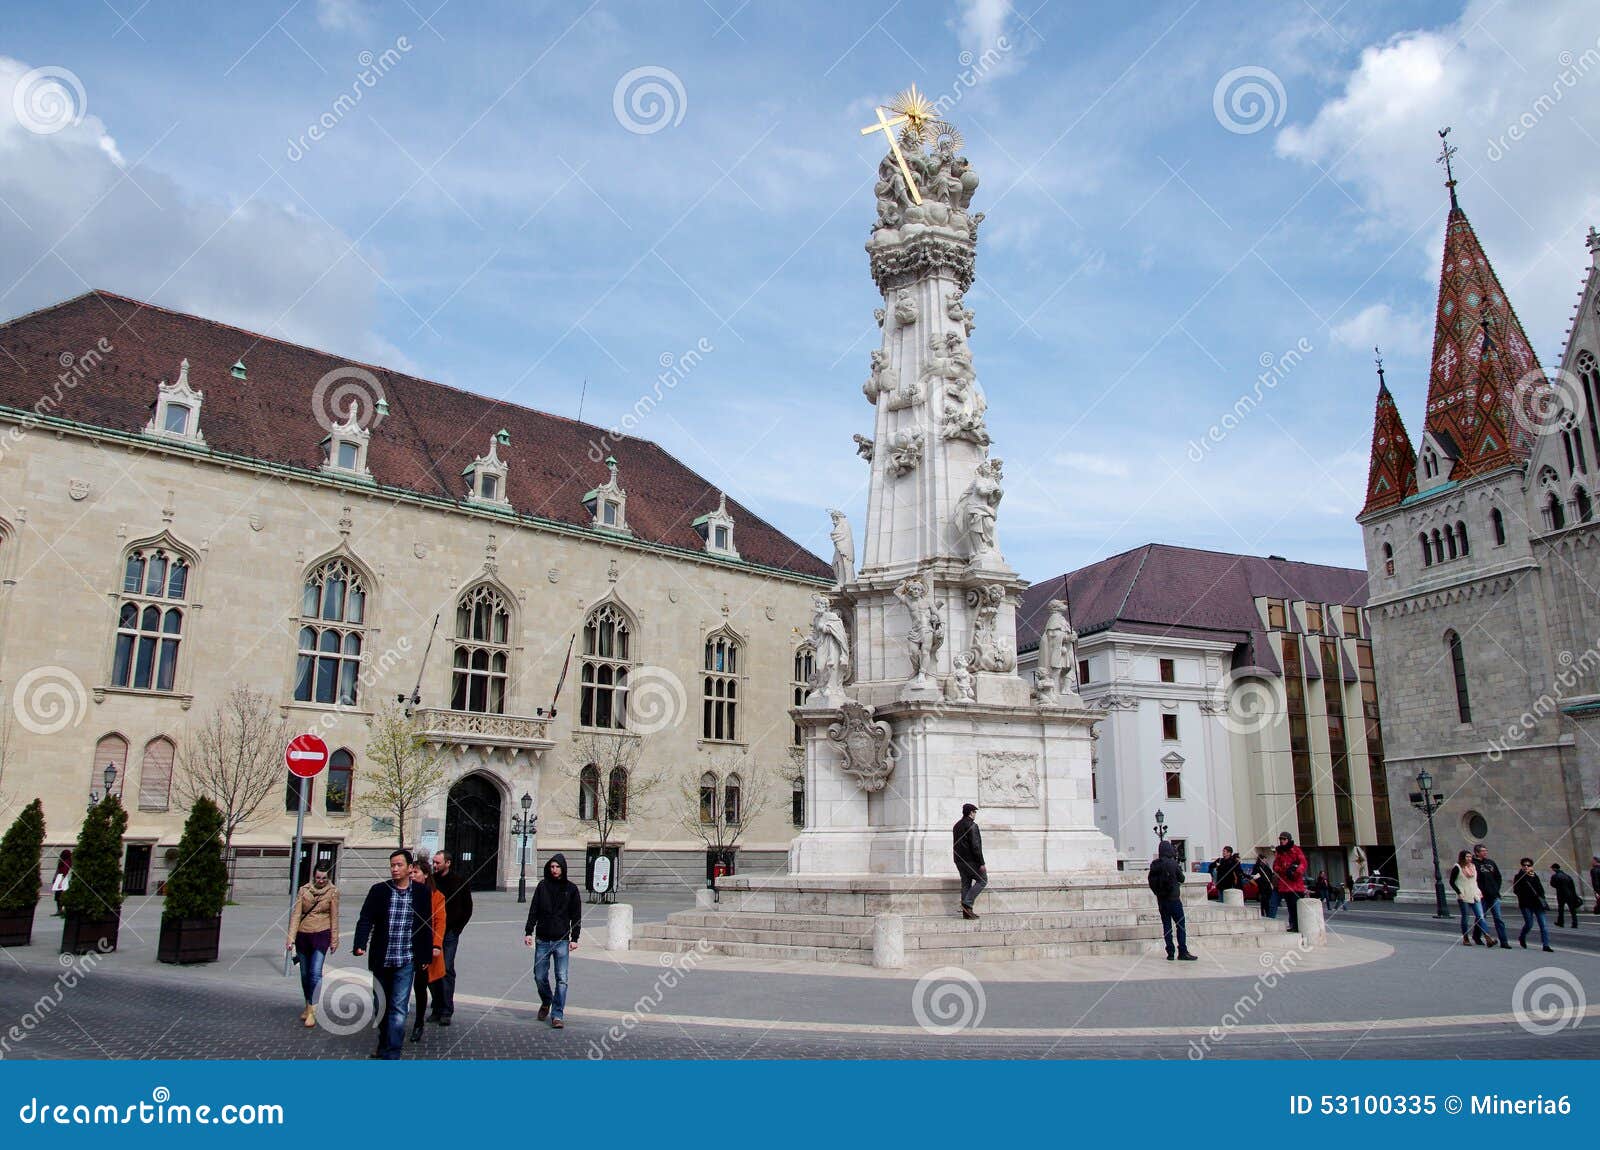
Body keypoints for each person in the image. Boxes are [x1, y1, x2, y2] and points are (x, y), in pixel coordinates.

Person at [353, 848, 440, 1060]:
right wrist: (360, 943)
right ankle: (384, 1041)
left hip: (406, 959)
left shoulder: (421, 893)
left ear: (410, 868)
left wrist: (425, 956)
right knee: (380, 1005)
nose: (394, 869)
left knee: (399, 1007)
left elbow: (425, 924)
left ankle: (392, 1052)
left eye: (399, 865)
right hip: (382, 958)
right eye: (392, 865)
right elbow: (366, 919)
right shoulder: (379, 891)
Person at [523, 853, 582, 1029]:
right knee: (539, 976)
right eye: (552, 867)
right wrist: (528, 931)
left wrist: (575, 938)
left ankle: (557, 1014)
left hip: (562, 940)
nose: (555, 870)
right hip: (542, 938)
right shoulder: (542, 886)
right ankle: (547, 1000)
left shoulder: (571, 889)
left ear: (563, 868)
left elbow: (576, 916)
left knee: (562, 978)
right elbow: (534, 910)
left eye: (557, 867)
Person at [285, 863, 339, 1028]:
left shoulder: (333, 892)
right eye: (318, 877)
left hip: (321, 934)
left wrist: (334, 939)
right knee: (305, 974)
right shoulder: (304, 890)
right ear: (313, 876)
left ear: (328, 877)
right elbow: (296, 915)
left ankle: (313, 1012)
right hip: (303, 935)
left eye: (324, 878)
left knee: (315, 973)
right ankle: (308, 1004)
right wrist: (290, 938)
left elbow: (334, 916)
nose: (321, 881)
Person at [430, 849, 473, 1026]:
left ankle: (447, 1010)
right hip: (432, 932)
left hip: (449, 933)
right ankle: (437, 1007)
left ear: (447, 863)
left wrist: (457, 929)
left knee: (446, 969)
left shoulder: (459, 881)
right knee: (432, 970)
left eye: (437, 863)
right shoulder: (431, 881)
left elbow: (467, 907)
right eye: (433, 862)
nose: (434, 865)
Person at [407, 856, 447, 1043]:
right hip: (405, 945)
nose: (412, 875)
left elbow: (440, 922)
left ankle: (419, 1023)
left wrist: (436, 945)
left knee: (421, 986)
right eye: (411, 871)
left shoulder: (436, 896)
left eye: (416, 872)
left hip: (425, 947)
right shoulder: (404, 892)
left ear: (425, 874)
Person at [1148, 840, 1197, 961]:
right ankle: (1182, 951)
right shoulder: (1172, 863)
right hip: (1174, 899)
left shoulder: (1154, 865)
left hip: (1161, 900)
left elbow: (1151, 881)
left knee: (1167, 926)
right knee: (1180, 926)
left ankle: (1170, 952)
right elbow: (1182, 878)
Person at [1448, 849, 1496, 947]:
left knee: (1480, 917)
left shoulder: (1473, 867)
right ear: (1462, 857)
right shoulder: (1457, 867)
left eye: (1470, 857)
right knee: (1465, 917)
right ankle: (1466, 938)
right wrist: (1459, 892)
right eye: (1467, 857)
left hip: (1475, 894)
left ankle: (1488, 937)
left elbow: (1475, 880)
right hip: (1464, 895)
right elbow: (1452, 882)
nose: (1469, 859)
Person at [1471, 844, 1510, 949]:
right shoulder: (1473, 864)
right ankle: (1477, 936)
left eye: (1486, 851)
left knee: (1498, 918)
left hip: (1494, 895)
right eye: (1483, 851)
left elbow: (1498, 876)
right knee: (1481, 917)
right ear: (1477, 852)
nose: (1485, 853)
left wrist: (1496, 889)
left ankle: (1504, 941)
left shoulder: (1491, 863)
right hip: (1481, 896)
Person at [952, 803, 987, 919]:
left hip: (959, 860)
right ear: (971, 812)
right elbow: (975, 846)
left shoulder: (956, 825)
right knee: (982, 880)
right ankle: (967, 903)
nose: (975, 814)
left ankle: (967, 913)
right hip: (971, 860)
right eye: (974, 812)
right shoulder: (972, 825)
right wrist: (981, 863)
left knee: (966, 883)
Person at [1512, 857, 1554, 952]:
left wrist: (1542, 898)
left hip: (1537, 903)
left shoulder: (1535, 876)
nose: (1526, 867)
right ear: (1522, 866)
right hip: (1526, 903)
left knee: (1543, 925)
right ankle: (1522, 936)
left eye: (1528, 865)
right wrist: (1523, 875)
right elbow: (1516, 890)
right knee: (1529, 923)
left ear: (1532, 866)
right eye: (1524, 865)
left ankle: (1546, 945)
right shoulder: (1519, 876)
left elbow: (1540, 889)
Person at [1272, 832, 1308, 932]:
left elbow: (1303, 863)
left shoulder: (1296, 850)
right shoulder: (1279, 852)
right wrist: (1284, 870)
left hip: (1296, 884)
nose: (1282, 841)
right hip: (1285, 884)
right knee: (1290, 908)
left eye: (1284, 839)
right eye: (1281, 839)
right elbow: (1275, 866)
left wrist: (1295, 871)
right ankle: (1293, 925)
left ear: (1288, 839)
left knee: (1297, 907)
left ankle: (1299, 926)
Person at [1550, 863, 1581, 927]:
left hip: (1561, 894)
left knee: (1561, 909)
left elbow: (1553, 884)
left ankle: (1561, 922)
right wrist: (1574, 895)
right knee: (1572, 909)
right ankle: (1575, 923)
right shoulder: (1567, 876)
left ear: (1554, 868)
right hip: (1570, 894)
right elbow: (1572, 887)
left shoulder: (1555, 876)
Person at [1254, 852, 1275, 917]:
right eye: (1264, 859)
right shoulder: (1257, 867)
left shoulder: (1267, 867)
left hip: (1268, 886)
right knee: (1264, 900)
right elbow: (1255, 876)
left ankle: (1267, 912)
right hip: (1262, 886)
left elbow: (1271, 875)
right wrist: (1260, 882)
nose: (1265, 861)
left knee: (1268, 900)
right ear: (1261, 859)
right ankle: (1263, 912)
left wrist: (1271, 882)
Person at [50, 849, 71, 915]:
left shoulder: (64, 862)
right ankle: (62, 910)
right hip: (62, 878)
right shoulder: (68, 861)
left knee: (59, 895)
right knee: (60, 895)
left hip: (61, 879)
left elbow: (63, 872)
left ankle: (60, 910)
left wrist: (59, 880)